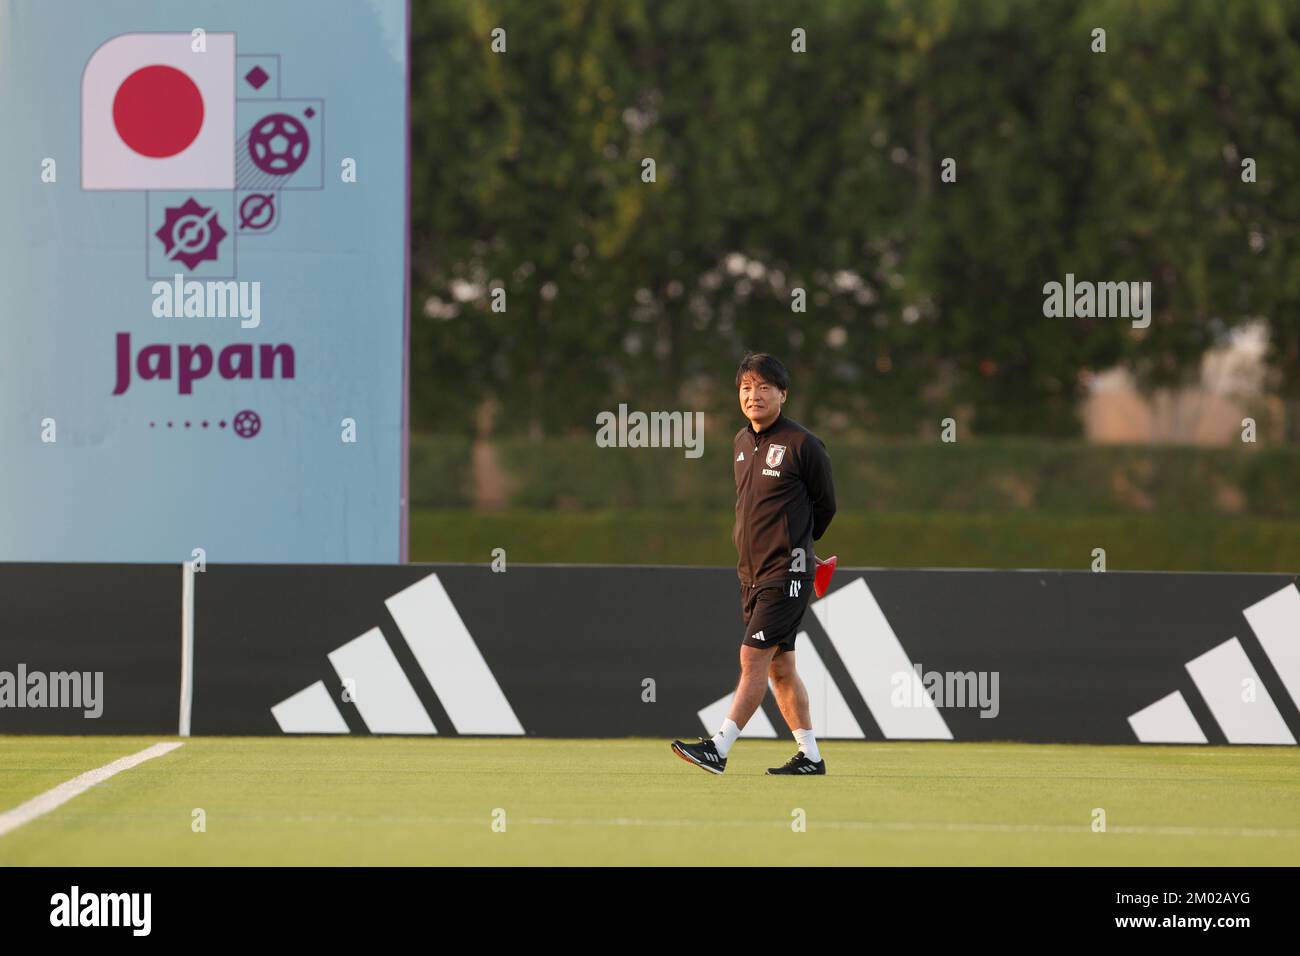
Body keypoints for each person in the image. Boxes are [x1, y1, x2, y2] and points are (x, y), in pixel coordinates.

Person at [671, 352, 837, 775]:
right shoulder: (741, 442)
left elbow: (825, 506)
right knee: (781, 669)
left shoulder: (803, 444)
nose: (754, 395)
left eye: (764, 387)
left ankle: (718, 748)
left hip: (787, 573)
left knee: (753, 658)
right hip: (751, 573)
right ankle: (811, 757)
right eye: (746, 388)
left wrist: (801, 550)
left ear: (783, 393)